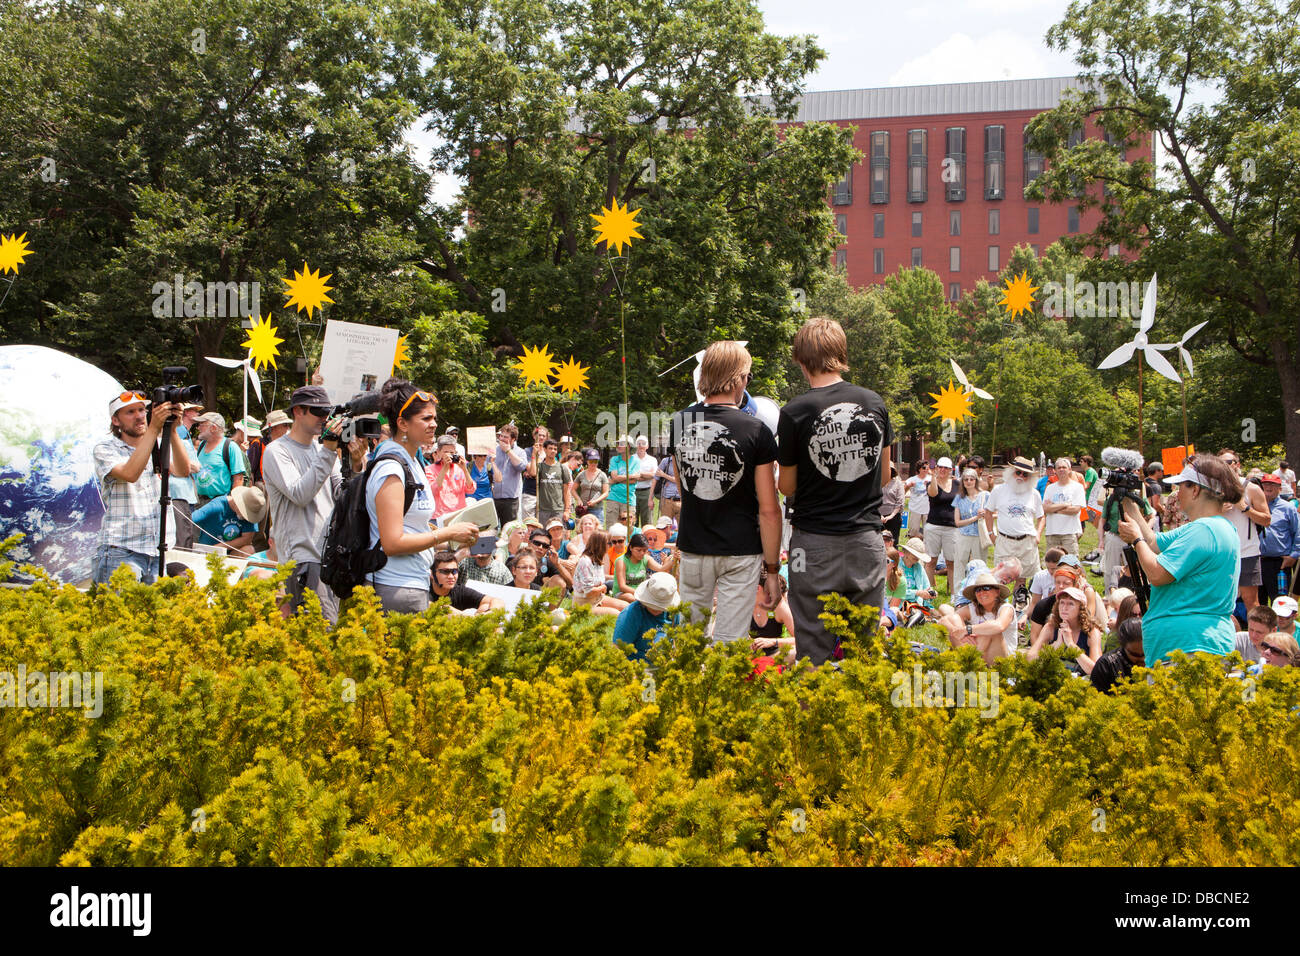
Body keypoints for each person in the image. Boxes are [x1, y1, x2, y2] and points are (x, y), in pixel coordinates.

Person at [777, 318, 892, 665]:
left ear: (800, 359)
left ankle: (814, 716)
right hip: (867, 540)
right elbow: (885, 475)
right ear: (842, 353)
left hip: (813, 543)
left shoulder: (794, 411)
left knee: (813, 643)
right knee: (865, 647)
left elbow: (787, 486)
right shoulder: (874, 403)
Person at [672, 341, 782, 644]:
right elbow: (769, 509)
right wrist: (772, 570)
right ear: (737, 378)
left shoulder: (680, 422)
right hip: (741, 549)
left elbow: (686, 490)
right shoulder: (757, 430)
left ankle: (686, 691)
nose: (747, 382)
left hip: (695, 542)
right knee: (729, 646)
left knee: (689, 643)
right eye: (747, 375)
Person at [1117, 453, 1244, 667]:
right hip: (1194, 644)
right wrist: (1129, 500)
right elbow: (1153, 543)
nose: (1176, 493)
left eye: (1181, 487)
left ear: (1195, 490)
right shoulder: (1213, 527)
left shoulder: (1204, 530)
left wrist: (1135, 539)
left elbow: (1157, 574)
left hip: (1188, 648)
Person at [364, 380, 479, 614]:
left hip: (413, 582)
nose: (434, 424)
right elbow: (393, 542)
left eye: (434, 418)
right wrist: (447, 533)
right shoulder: (392, 469)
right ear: (402, 424)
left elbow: (414, 530)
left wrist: (457, 538)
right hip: (394, 587)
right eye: (426, 419)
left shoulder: (413, 462)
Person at [262, 385, 365, 625]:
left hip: (329, 556)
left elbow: (343, 494)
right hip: (303, 558)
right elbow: (300, 493)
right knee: (321, 633)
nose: (324, 419)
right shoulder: (278, 451)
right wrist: (329, 451)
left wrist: (358, 464)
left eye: (326, 412)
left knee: (332, 633)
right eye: (317, 412)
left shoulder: (322, 449)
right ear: (298, 411)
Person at [92, 391, 197, 584]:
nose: (139, 416)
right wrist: (153, 429)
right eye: (130, 412)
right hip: (121, 549)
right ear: (116, 421)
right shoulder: (105, 449)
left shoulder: (156, 444)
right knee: (119, 613)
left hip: (156, 549)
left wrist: (172, 431)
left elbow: (183, 470)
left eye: (142, 410)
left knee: (149, 613)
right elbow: (130, 473)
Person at [1218, 448, 1271, 613]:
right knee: (1220, 602)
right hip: (1221, 553)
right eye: (1220, 463)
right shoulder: (1211, 489)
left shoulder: (1251, 488)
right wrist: (1218, 509)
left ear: (1237, 464)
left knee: (1251, 602)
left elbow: (1267, 520)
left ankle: (1259, 637)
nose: (1225, 467)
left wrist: (1245, 508)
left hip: (1247, 552)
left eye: (1228, 462)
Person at [983, 457, 1044, 586]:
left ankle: (1018, 605)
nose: (1021, 476)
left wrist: (1038, 534)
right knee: (999, 579)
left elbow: (1041, 517)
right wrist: (990, 534)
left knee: (1022, 579)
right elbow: (988, 512)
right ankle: (999, 606)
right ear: (1011, 472)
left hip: (1027, 542)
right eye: (1018, 472)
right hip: (1005, 541)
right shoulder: (998, 490)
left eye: (1025, 474)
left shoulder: (1034, 494)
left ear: (1030, 477)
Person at [936, 572, 1016, 665]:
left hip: (1002, 659)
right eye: (978, 590)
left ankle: (965, 662)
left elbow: (999, 626)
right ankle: (966, 662)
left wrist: (967, 630)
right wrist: (957, 631)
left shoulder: (1006, 608)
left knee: (990, 630)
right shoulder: (973, 608)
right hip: (980, 651)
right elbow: (943, 621)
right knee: (954, 620)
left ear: (997, 592)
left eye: (986, 588)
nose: (982, 592)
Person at [1029, 585, 1105, 673]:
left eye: (1070, 604)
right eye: (1062, 603)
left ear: (1080, 609)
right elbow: (1030, 658)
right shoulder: (1050, 627)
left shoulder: (1091, 632)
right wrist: (1056, 645)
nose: (1064, 608)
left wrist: (1071, 644)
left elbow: (1096, 671)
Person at [611, 571, 680, 660]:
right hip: (637, 667)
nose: (656, 610)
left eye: (661, 607)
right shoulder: (631, 614)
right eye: (653, 606)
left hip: (663, 665)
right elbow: (616, 651)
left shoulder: (673, 612)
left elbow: (676, 639)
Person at [1258, 473, 1300, 602]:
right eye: (1265, 484)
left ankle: (1280, 623)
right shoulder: (1254, 506)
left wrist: (1293, 555)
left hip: (1279, 563)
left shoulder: (1288, 508)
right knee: (1257, 602)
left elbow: (1297, 532)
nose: (1268, 487)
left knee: (1280, 603)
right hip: (1256, 562)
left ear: (1280, 488)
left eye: (1273, 485)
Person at [191, 412, 247, 506]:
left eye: (202, 424)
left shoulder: (230, 447)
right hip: (199, 502)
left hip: (221, 503)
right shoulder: (202, 445)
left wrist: (232, 503)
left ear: (213, 428)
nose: (198, 427)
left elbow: (239, 478)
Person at [192, 485, 266, 553]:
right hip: (206, 551)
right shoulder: (216, 506)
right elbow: (190, 519)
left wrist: (220, 547)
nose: (246, 517)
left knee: (248, 550)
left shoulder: (252, 506)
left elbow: (247, 539)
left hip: (230, 553)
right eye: (247, 513)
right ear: (239, 503)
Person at [429, 550, 505, 615]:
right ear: (432, 574)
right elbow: (442, 610)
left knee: (485, 606)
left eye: (454, 571)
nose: (451, 576)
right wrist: (470, 618)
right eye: (445, 572)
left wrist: (487, 614)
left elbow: (497, 601)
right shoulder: (423, 591)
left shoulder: (459, 591)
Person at [924, 457, 959, 594]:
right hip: (934, 526)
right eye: (940, 467)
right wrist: (933, 477)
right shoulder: (930, 483)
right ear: (936, 468)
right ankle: (928, 591)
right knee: (931, 561)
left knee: (951, 562)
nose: (943, 470)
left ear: (951, 470)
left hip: (952, 527)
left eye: (946, 468)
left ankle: (953, 593)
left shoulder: (957, 484)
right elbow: (933, 494)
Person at [572, 529, 627, 616]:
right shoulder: (585, 561)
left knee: (626, 607)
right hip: (584, 604)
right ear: (599, 545)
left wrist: (602, 587)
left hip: (598, 598)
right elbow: (588, 591)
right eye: (609, 543)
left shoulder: (598, 559)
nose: (611, 546)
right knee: (617, 614)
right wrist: (603, 587)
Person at [1042, 457, 1086, 555]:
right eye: (1059, 468)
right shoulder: (1050, 488)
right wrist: (1065, 504)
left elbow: (1075, 509)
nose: (1061, 469)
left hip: (1070, 532)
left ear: (1069, 470)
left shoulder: (1077, 487)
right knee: (1052, 564)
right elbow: (1045, 508)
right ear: (1055, 471)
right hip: (1052, 532)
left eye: (1064, 467)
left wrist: (1054, 508)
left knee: (1070, 564)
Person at [1091, 616, 1145, 693]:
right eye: (1135, 655)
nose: (1142, 660)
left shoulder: (1157, 656)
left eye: (1145, 654)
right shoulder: (1106, 664)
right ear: (1122, 646)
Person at [952, 468, 989, 575]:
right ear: (962, 482)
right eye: (966, 479)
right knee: (960, 565)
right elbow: (957, 522)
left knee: (980, 565)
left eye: (971, 479)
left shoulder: (985, 495)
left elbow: (995, 514)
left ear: (976, 481)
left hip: (979, 535)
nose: (968, 482)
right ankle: (958, 590)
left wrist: (984, 514)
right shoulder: (959, 498)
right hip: (963, 535)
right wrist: (975, 518)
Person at [426, 434, 473, 518]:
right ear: (438, 452)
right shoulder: (429, 469)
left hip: (458, 514)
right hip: (439, 516)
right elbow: (433, 491)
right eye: (446, 452)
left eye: (452, 452)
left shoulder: (459, 469)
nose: (449, 455)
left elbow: (471, 489)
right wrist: (444, 469)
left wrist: (465, 470)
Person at [491, 424, 527, 525]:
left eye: (505, 437)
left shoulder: (520, 452)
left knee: (509, 531)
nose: (501, 439)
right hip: (494, 497)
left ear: (513, 439)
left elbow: (521, 467)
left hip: (510, 500)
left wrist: (508, 451)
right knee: (491, 531)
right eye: (500, 436)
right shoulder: (494, 450)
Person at [535, 438, 573, 527]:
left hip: (558, 509)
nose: (553, 451)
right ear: (544, 449)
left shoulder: (562, 468)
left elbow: (566, 491)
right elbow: (533, 472)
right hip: (542, 509)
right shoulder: (540, 467)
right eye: (550, 448)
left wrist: (567, 510)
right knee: (543, 535)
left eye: (555, 449)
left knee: (558, 536)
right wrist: (534, 454)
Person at [520, 425, 549, 521]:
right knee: (529, 523)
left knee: (543, 523)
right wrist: (535, 456)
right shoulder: (527, 451)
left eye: (543, 436)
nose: (541, 437)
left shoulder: (549, 453)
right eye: (539, 435)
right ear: (534, 436)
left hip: (544, 494)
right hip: (530, 493)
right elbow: (533, 472)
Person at [606, 436, 636, 529]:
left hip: (629, 500)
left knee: (628, 529)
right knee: (611, 528)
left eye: (622, 444)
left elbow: (634, 481)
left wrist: (616, 480)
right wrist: (631, 476)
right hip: (613, 498)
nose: (618, 446)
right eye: (618, 443)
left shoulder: (635, 461)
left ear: (629, 446)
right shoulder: (614, 459)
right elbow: (614, 476)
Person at [897, 539, 937, 608]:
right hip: (900, 606)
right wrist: (917, 593)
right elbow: (895, 592)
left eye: (918, 555)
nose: (917, 557)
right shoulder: (895, 565)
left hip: (919, 605)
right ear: (906, 552)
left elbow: (927, 588)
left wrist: (930, 594)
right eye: (914, 554)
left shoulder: (919, 567)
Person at [575, 449, 610, 526]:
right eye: (591, 461)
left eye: (595, 461)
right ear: (587, 461)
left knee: (597, 533)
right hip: (583, 509)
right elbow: (573, 489)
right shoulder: (581, 474)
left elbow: (606, 492)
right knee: (582, 531)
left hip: (597, 509)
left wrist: (595, 501)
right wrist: (578, 499)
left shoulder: (602, 475)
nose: (593, 463)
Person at [904, 460, 930, 536]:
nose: (926, 469)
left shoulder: (931, 479)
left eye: (927, 468)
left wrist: (930, 485)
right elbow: (903, 492)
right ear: (919, 469)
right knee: (913, 531)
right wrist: (908, 486)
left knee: (928, 532)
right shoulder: (912, 479)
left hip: (928, 509)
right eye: (924, 467)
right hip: (915, 508)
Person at [880, 464, 905, 542]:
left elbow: (900, 501)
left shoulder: (898, 483)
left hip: (894, 516)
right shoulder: (876, 482)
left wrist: (891, 516)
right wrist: (880, 515)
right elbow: (873, 500)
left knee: (893, 542)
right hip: (878, 517)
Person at [656, 452, 681, 520]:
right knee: (665, 526)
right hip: (667, 500)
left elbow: (679, 480)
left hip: (681, 501)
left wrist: (664, 475)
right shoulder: (665, 461)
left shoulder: (685, 462)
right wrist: (650, 498)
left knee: (682, 529)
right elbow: (656, 477)